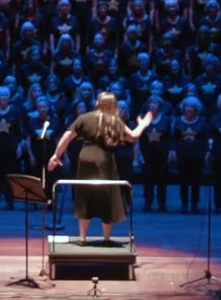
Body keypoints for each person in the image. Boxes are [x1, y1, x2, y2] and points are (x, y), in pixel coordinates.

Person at [47, 91, 153, 245]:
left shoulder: (84, 118)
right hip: (105, 160)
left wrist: (56, 156)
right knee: (107, 197)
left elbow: (66, 137)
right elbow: (133, 136)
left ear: (97, 103)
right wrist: (143, 124)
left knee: (85, 196)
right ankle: (107, 238)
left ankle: (82, 238)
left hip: (86, 158)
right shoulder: (115, 121)